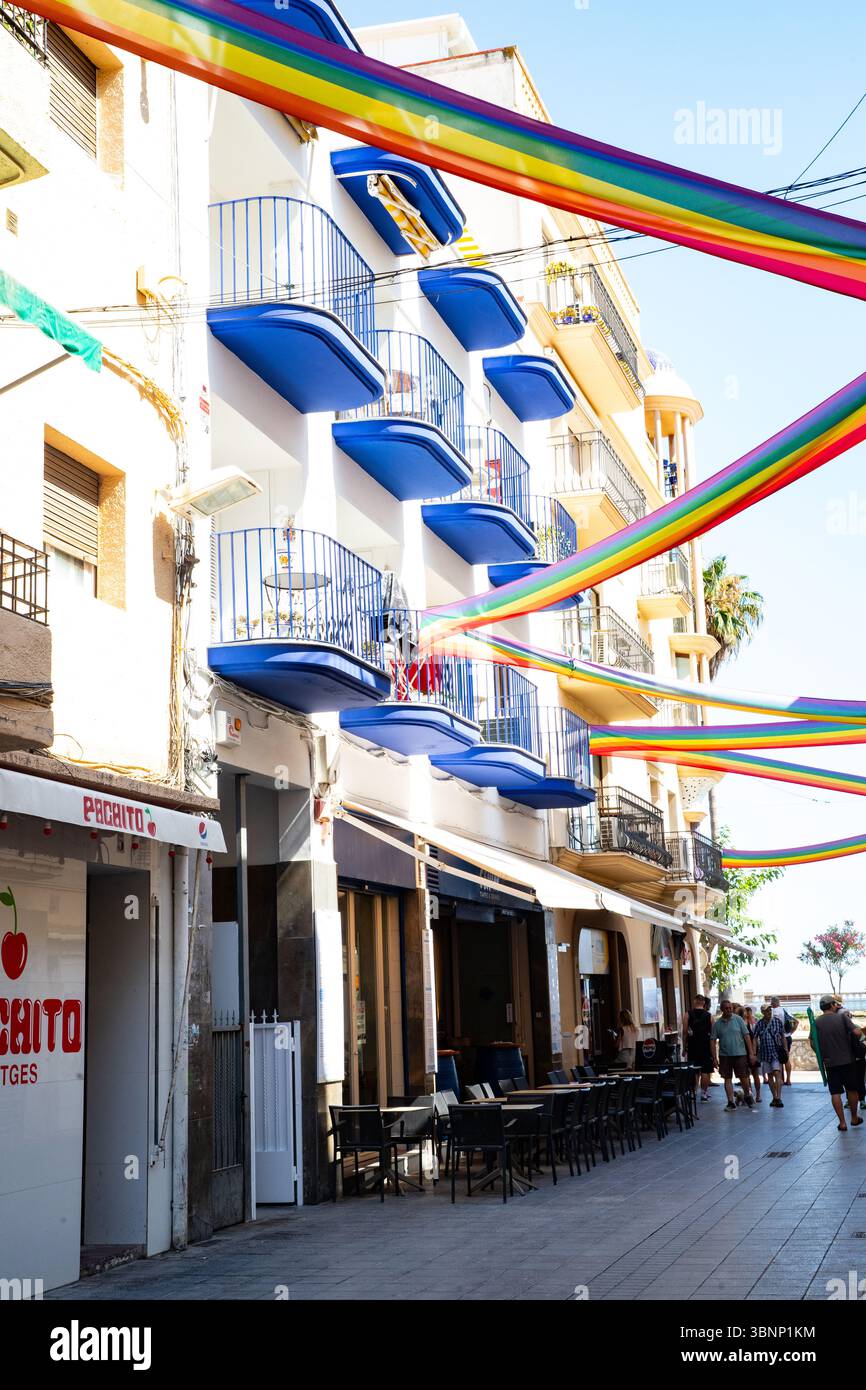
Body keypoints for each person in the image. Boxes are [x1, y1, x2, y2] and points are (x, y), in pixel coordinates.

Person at [811, 994, 864, 1131]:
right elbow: (857, 1033)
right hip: (847, 1060)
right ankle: (854, 1118)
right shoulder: (842, 1017)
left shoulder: (816, 1022)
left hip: (829, 1063)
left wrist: (821, 1053)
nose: (836, 1006)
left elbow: (812, 1041)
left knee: (835, 1092)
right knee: (852, 1090)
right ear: (831, 1005)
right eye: (835, 1004)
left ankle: (842, 1123)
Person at [712, 999, 756, 1110]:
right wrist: (714, 1058)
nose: (729, 1010)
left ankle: (747, 1094)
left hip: (740, 1054)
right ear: (722, 1010)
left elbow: (746, 1036)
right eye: (726, 1008)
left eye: (730, 1008)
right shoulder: (717, 1024)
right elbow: (712, 1041)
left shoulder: (738, 1020)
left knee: (744, 1077)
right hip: (725, 1055)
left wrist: (751, 1053)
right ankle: (731, 1102)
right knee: (727, 1078)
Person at [754, 1002, 787, 1107]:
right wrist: (754, 1053)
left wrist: (785, 1049)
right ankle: (774, 1097)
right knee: (770, 1076)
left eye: (770, 1010)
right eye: (766, 1010)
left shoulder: (777, 1022)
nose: (768, 1012)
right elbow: (755, 1038)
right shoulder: (759, 1024)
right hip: (765, 1054)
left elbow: (783, 1036)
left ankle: (779, 1097)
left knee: (777, 1073)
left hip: (776, 1052)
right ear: (762, 1012)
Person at [683, 994, 714, 1101]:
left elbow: (685, 1032)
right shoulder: (709, 1016)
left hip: (693, 1046)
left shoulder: (688, 1014)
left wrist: (684, 1047)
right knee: (705, 1071)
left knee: (693, 1070)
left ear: (695, 1001)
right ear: (704, 1003)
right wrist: (713, 1052)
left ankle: (693, 1092)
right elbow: (713, 1034)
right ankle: (704, 1094)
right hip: (705, 1046)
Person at [770, 996, 796, 1085]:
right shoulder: (785, 1010)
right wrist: (791, 1032)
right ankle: (788, 1080)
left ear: (773, 1003)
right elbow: (796, 1021)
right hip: (787, 1036)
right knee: (786, 1058)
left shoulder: (772, 1012)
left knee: (778, 1059)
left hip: (778, 1037)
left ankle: (780, 1080)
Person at [742, 1006, 763, 1102]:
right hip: (744, 1051)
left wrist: (753, 1053)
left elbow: (755, 1038)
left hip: (752, 1051)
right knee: (746, 1075)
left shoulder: (753, 1023)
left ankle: (758, 1094)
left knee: (754, 1073)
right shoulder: (742, 1022)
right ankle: (750, 1093)